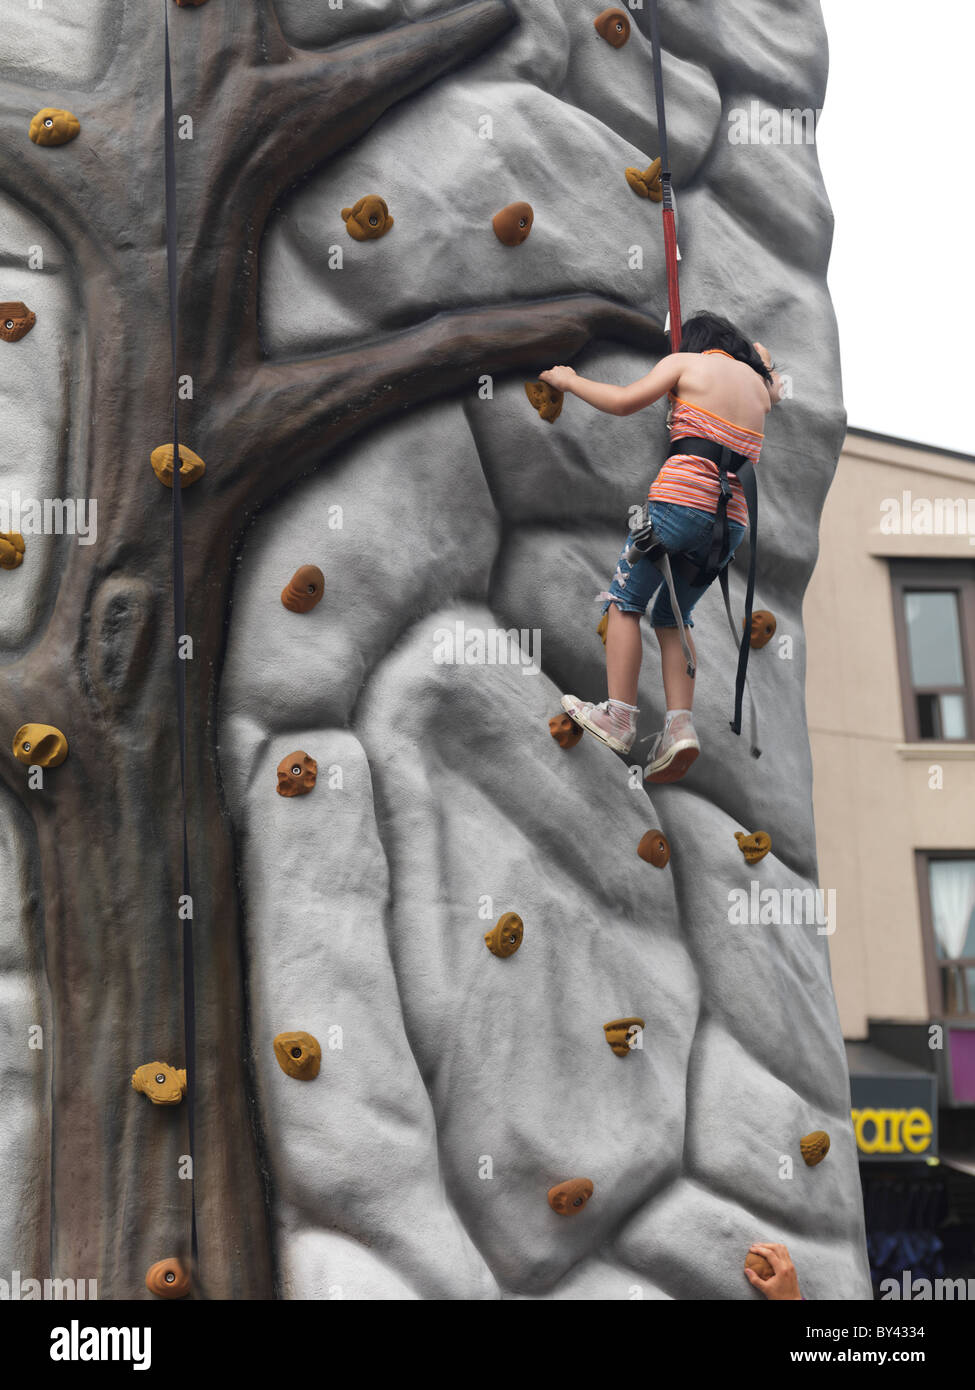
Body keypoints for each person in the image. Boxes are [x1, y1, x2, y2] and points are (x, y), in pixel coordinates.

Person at [540, 313, 783, 782]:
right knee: (674, 616)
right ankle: (679, 728)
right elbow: (770, 380)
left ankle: (619, 716)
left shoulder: (684, 364)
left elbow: (623, 401)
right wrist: (761, 358)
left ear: (696, 344)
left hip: (681, 503)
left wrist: (570, 381)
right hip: (730, 522)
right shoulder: (759, 388)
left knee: (626, 602)